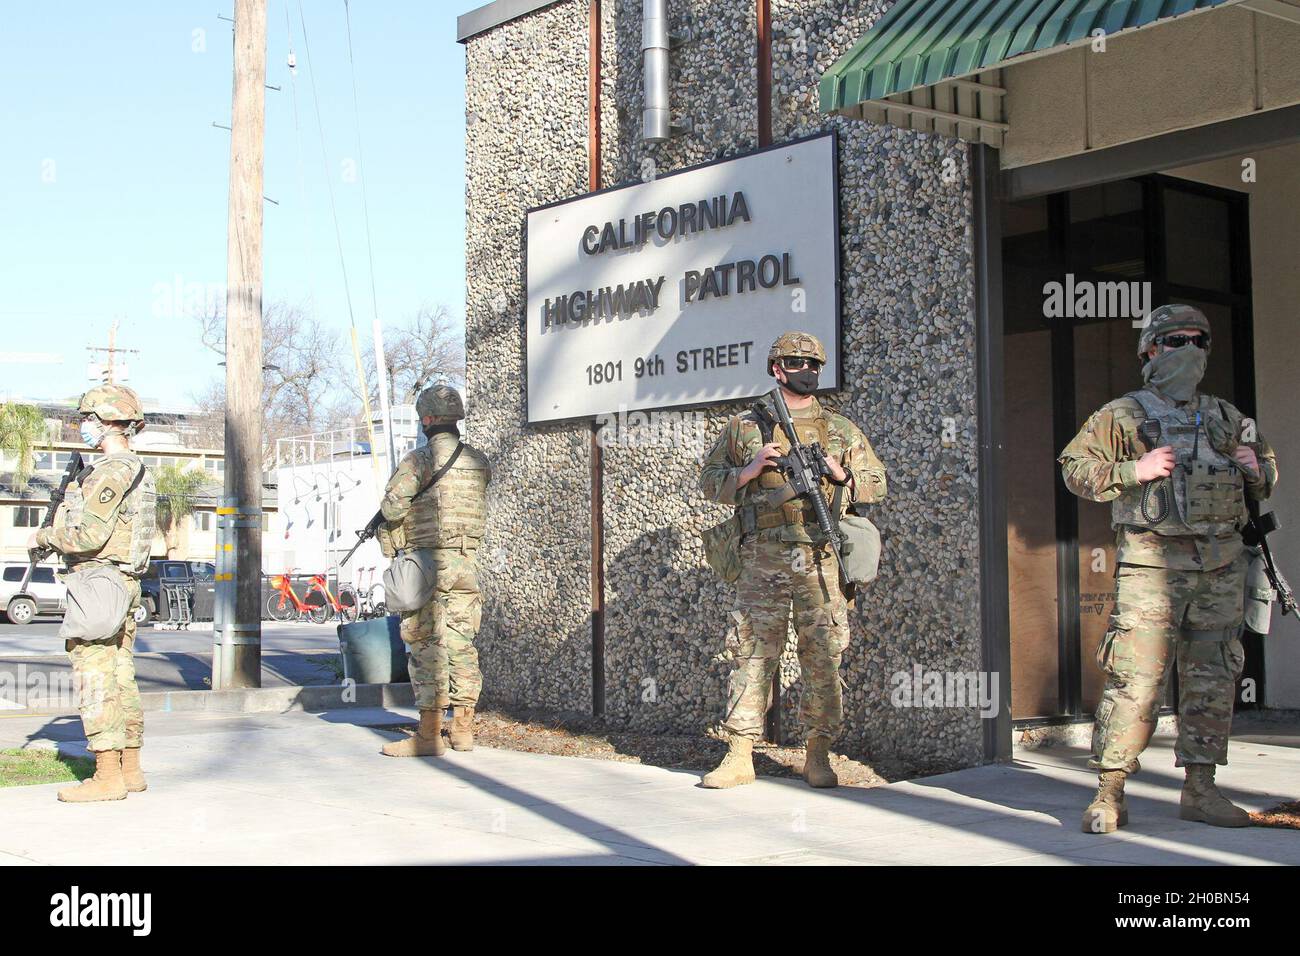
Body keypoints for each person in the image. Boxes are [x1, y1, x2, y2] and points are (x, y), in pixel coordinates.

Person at [1059, 304, 1278, 831]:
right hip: (1152, 565)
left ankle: (1201, 789)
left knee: (1214, 678)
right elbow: (1074, 468)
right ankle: (1109, 793)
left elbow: (1265, 470)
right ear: (1150, 351)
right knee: (1133, 677)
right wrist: (1134, 469)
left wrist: (1257, 470)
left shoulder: (1228, 417)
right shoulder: (1122, 414)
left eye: (1200, 341)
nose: (1190, 350)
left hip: (1221, 564)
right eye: (1177, 340)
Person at [698, 331, 887, 789]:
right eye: (797, 363)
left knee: (823, 655)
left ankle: (818, 753)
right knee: (751, 653)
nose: (808, 372)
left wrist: (841, 475)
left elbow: (877, 483)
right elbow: (709, 482)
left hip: (820, 555)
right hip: (762, 555)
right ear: (776, 369)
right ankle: (740, 752)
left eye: (814, 365)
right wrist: (751, 468)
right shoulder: (746, 427)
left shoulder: (839, 429)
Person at [29, 384, 157, 802]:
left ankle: (106, 777)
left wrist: (45, 535)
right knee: (121, 675)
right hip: (124, 582)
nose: (82, 426)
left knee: (95, 675)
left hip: (98, 581)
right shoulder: (138, 469)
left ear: (104, 421)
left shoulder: (109, 471)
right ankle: (131, 769)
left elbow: (89, 533)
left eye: (86, 419)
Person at [376, 384, 491, 756]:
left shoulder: (418, 460)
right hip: (464, 564)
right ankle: (462, 731)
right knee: (461, 643)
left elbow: (393, 508)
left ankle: (428, 735)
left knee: (426, 644)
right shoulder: (478, 461)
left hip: (425, 564)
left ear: (426, 419)